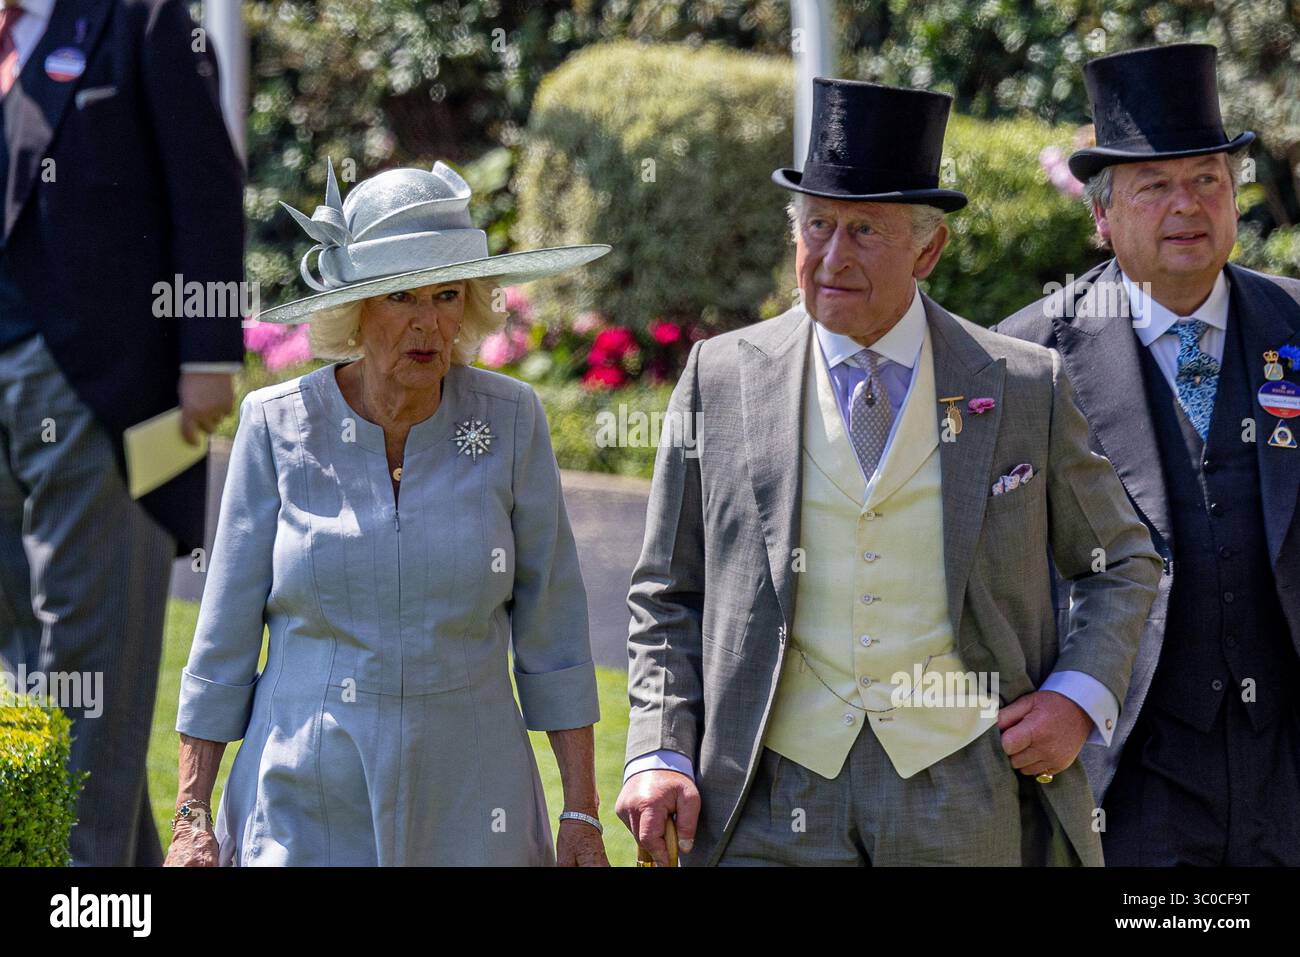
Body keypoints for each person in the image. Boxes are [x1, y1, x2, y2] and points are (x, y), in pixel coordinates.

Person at [615, 78, 1162, 866]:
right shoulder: (721, 376)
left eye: (865, 231)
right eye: (818, 227)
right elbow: (666, 589)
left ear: (928, 248)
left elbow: (1122, 558)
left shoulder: (1020, 384)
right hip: (772, 792)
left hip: (962, 785)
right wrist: (659, 749)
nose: (832, 257)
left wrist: (1078, 696)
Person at [166, 160, 611, 866]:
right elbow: (221, 641)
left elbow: (553, 631)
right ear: (352, 308)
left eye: (446, 294)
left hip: (473, 798)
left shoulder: (511, 420)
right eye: (401, 295)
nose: (428, 321)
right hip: (305, 797)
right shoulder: (276, 426)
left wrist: (581, 811)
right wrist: (192, 816)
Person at [997, 43, 1300, 865]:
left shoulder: (1294, 325)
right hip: (1126, 771)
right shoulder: (1026, 359)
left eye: (1207, 179)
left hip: (1287, 767)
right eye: (1155, 185)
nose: (1186, 206)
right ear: (1101, 215)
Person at [0, 0, 244, 865]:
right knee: (20, 677)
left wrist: (209, 350)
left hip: (113, 400)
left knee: (84, 678)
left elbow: (208, 183)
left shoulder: (141, 18)